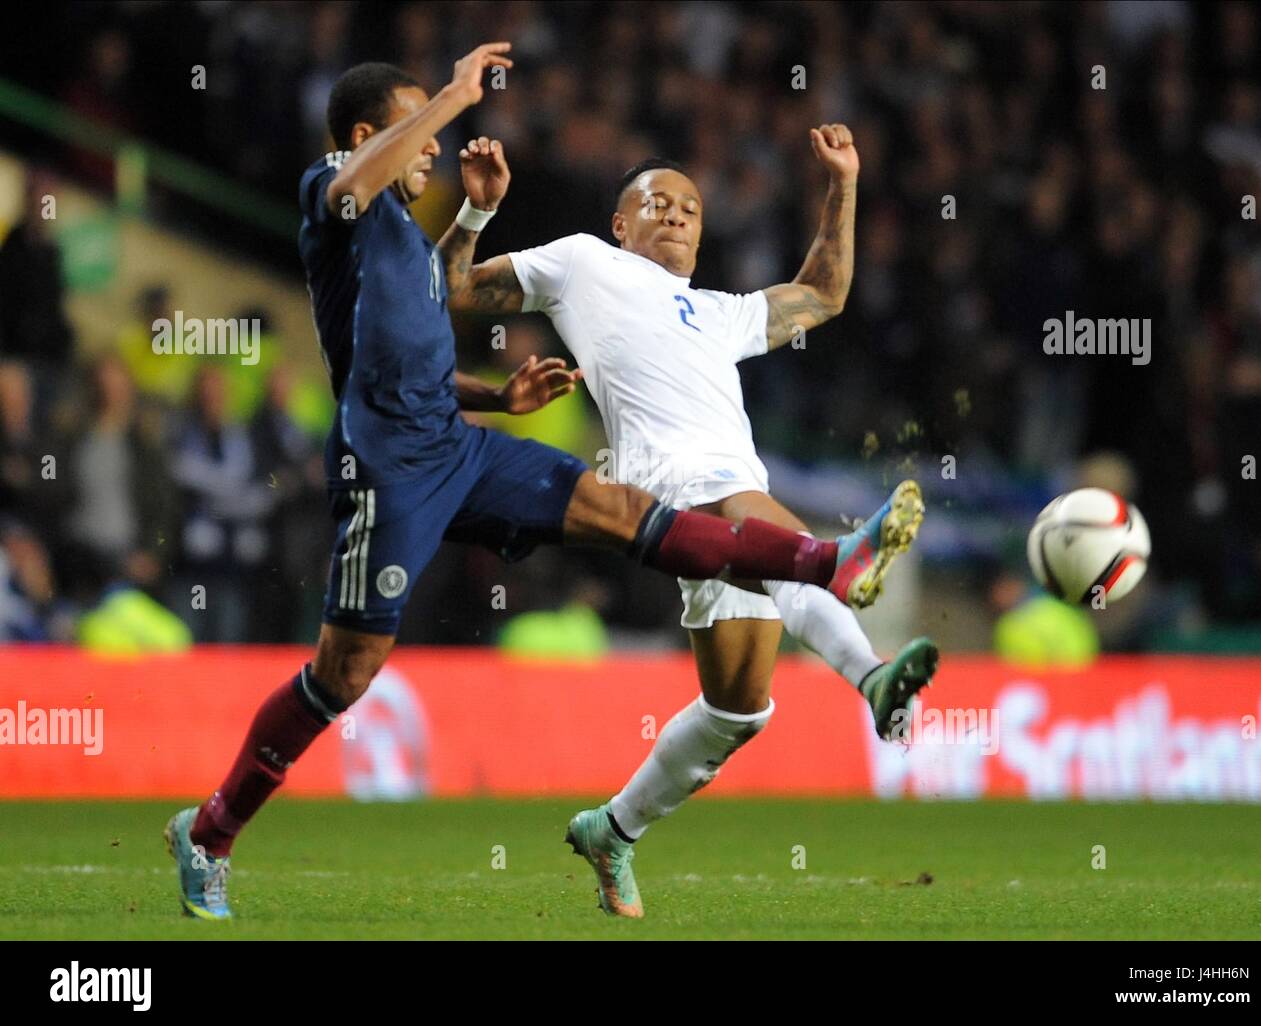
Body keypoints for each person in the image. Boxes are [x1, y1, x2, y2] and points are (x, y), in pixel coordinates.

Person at [164, 47, 909, 921]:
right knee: (346, 670)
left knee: (630, 515)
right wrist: (450, 98)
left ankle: (827, 563)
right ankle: (209, 831)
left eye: (690, 206)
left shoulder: (407, 233)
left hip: (460, 443)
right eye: (416, 132)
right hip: (391, 467)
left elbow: (409, 354)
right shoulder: (335, 198)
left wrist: (496, 392)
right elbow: (375, 233)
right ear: (366, 137)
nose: (434, 147)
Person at [449, 128, 938, 916]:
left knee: (739, 708)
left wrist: (843, 184)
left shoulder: (718, 312)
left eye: (691, 208)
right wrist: (476, 213)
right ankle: (867, 661)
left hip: (739, 497)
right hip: (664, 487)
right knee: (792, 552)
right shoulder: (582, 262)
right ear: (620, 223)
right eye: (657, 202)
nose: (676, 215)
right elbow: (458, 289)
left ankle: (612, 828)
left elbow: (823, 294)